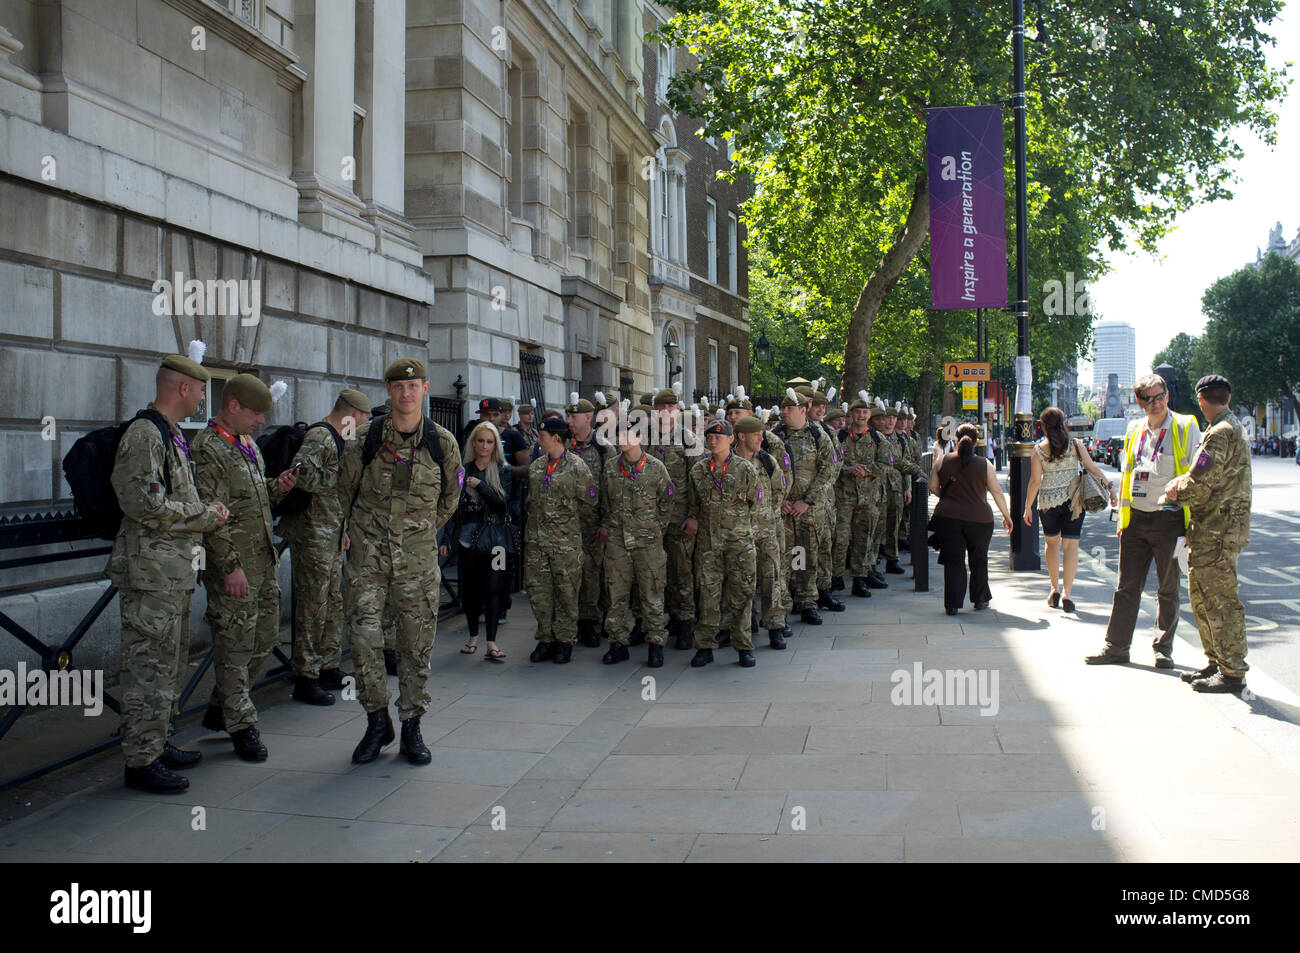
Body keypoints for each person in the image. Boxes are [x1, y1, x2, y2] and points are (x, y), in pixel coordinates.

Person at [111, 346, 228, 793]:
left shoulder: (170, 433)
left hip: (170, 572)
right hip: (150, 575)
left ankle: (158, 742)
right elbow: (142, 503)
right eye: (200, 391)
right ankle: (140, 761)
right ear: (182, 388)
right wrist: (205, 515)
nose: (202, 399)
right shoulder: (145, 435)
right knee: (147, 667)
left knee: (169, 666)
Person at [339, 357, 463, 764]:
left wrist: (419, 532)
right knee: (363, 640)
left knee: (414, 646)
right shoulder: (364, 439)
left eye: (413, 387)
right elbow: (344, 493)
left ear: (425, 389)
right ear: (389, 390)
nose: (406, 393)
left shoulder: (442, 443)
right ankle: (377, 721)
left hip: (416, 563)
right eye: (398, 387)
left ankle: (412, 725)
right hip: (368, 560)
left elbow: (450, 498)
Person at [192, 374, 298, 762]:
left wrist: (277, 487)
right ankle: (241, 724)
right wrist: (229, 567)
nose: (261, 422)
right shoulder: (208, 448)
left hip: (261, 561)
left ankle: (222, 707)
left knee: (264, 638)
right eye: (255, 413)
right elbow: (212, 515)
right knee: (235, 646)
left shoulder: (246, 443)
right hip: (234, 566)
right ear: (233, 406)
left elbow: (250, 498)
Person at [1086, 374, 1200, 668]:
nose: (1156, 403)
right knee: (1126, 587)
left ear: (1167, 396)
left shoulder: (1185, 426)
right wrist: (1122, 523)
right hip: (1135, 520)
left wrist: (1193, 524)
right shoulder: (1134, 428)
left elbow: (1197, 476)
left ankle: (1163, 649)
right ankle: (1116, 647)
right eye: (1148, 399)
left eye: (1160, 396)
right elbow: (1128, 475)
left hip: (1169, 520)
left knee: (1168, 588)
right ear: (1139, 401)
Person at [279, 389, 372, 704]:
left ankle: (328, 664)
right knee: (313, 606)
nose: (362, 426)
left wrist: (342, 528)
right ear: (351, 415)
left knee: (332, 602)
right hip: (313, 533)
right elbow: (300, 475)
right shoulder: (320, 436)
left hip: (330, 532)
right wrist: (337, 478)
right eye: (362, 419)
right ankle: (305, 675)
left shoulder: (338, 438)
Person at [1161, 375, 1253, 693]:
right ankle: (1217, 662)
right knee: (1203, 598)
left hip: (1217, 530)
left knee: (1220, 600)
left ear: (1201, 400)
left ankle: (1232, 671)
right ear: (1228, 397)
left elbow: (1200, 482)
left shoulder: (1220, 432)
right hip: (1215, 528)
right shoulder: (1229, 427)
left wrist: (1174, 490)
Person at [597, 409, 673, 667]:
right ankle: (618, 643)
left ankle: (656, 644)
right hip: (618, 542)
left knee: (652, 594)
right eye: (618, 433)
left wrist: (654, 529)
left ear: (639, 437)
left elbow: (667, 503)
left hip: (648, 543)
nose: (620, 438)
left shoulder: (656, 468)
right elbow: (605, 503)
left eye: (626, 433)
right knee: (616, 595)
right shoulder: (610, 468)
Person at [1023, 406, 1116, 613]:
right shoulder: (1076, 445)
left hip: (1048, 503)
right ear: (1063, 423)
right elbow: (1092, 468)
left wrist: (1027, 506)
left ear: (1043, 427)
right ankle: (1067, 593)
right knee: (1071, 547)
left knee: (1051, 544)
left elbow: (1035, 481)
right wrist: (1110, 488)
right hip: (1074, 503)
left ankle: (1054, 588)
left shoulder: (1038, 450)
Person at [684, 419, 761, 667]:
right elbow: (694, 504)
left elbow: (756, 504)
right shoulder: (699, 470)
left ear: (731, 439)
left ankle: (743, 646)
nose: (713, 441)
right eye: (710, 437)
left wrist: (743, 531)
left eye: (719, 437)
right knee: (707, 595)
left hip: (739, 544)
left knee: (741, 594)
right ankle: (705, 646)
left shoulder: (745, 469)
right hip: (709, 544)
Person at [526, 416, 597, 663]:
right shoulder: (537, 467)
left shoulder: (577, 467)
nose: (538, 440)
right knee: (539, 592)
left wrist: (569, 526)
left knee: (566, 592)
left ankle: (565, 639)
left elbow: (589, 504)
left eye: (542, 436)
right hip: (537, 541)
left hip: (565, 543)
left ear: (556, 438)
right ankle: (546, 638)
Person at [442, 422, 514, 662]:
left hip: (497, 541)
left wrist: (481, 486)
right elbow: (453, 507)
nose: (484, 446)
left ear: (495, 445)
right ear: (473, 443)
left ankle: (491, 643)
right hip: (468, 540)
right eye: (480, 441)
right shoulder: (463, 470)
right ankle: (473, 637)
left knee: (494, 589)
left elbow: (502, 505)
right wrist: (447, 538)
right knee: (471, 591)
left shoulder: (503, 469)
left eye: (489, 442)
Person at [929, 423, 1013, 614]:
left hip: (949, 517)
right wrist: (1007, 516)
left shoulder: (942, 461)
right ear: (975, 442)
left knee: (953, 561)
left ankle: (952, 604)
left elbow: (933, 486)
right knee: (979, 559)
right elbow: (997, 492)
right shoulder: (985, 464)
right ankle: (980, 598)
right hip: (980, 519)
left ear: (956, 440)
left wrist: (948, 498)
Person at [772, 388, 837, 623]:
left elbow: (828, 471)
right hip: (783, 510)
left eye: (790, 408)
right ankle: (784, 603)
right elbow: (764, 470)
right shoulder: (774, 436)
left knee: (806, 555)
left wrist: (807, 501)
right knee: (785, 557)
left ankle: (807, 601)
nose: (785, 412)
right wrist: (780, 501)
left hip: (808, 511)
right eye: (783, 408)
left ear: (802, 410)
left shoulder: (818, 436)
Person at [734, 414, 792, 648]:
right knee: (741, 580)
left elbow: (780, 489)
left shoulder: (767, 461)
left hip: (765, 530)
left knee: (771, 577)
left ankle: (775, 626)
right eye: (757, 435)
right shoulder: (728, 462)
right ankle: (745, 625)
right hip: (738, 532)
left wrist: (768, 512)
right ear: (741, 436)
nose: (761, 438)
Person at [650, 387, 699, 649]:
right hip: (652, 521)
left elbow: (698, 482)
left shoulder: (688, 440)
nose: (666, 412)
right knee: (659, 574)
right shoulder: (646, 439)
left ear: (678, 411)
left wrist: (694, 516)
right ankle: (668, 618)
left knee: (682, 573)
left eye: (670, 407)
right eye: (661, 407)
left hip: (679, 519)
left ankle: (686, 622)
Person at [566, 394, 609, 647]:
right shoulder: (564, 444)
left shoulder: (603, 447)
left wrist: (606, 522)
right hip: (567, 523)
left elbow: (611, 488)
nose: (569, 421)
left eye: (574, 416)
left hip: (593, 522)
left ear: (588, 418)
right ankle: (570, 620)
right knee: (570, 573)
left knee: (593, 573)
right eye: (568, 416)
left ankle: (590, 621)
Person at [833, 394, 886, 597]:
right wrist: (848, 469)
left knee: (864, 538)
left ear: (869, 415)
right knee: (840, 538)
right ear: (851, 415)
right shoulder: (839, 437)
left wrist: (867, 470)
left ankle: (860, 579)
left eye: (865, 412)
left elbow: (887, 464)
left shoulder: (877, 438)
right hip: (844, 497)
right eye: (858, 412)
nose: (861, 416)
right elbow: (831, 463)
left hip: (868, 498)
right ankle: (836, 577)